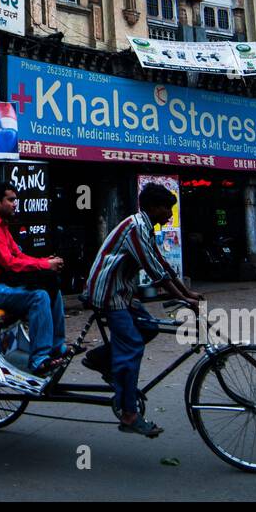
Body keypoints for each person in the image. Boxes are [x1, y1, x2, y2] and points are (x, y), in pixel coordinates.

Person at [84, 183, 203, 437]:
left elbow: (161, 261)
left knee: (148, 327)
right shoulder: (135, 227)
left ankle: (100, 358)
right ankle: (129, 414)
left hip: (123, 292)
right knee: (132, 346)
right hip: (108, 294)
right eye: (166, 209)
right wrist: (183, 299)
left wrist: (187, 293)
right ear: (151, 208)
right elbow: (154, 271)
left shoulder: (145, 227)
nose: (169, 215)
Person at [0, 182, 67, 375]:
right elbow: (10, 263)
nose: (14, 204)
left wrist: (45, 262)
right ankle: (39, 360)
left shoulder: (1, 226)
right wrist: (45, 265)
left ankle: (57, 347)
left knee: (54, 288)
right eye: (10, 200)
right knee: (39, 296)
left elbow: (18, 256)